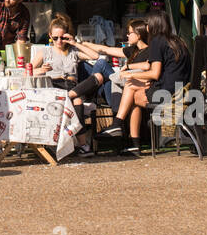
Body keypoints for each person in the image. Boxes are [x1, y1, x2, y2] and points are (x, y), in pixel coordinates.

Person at [64, 18, 152, 156]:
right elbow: (105, 49)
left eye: (130, 33)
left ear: (139, 34)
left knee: (101, 65)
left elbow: (148, 68)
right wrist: (77, 43)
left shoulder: (149, 51)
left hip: (130, 88)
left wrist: (128, 67)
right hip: (120, 89)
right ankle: (87, 93)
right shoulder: (132, 50)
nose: (127, 35)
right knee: (92, 67)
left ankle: (87, 95)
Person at [109, 10, 191, 156]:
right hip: (183, 91)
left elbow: (155, 73)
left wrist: (130, 74)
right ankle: (126, 134)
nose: (146, 26)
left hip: (167, 94)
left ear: (152, 26)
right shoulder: (179, 41)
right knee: (133, 87)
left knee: (130, 88)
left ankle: (119, 126)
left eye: (147, 23)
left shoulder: (157, 42)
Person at [30, 14, 79, 88]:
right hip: (55, 85)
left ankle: (71, 95)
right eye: (55, 38)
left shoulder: (72, 50)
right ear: (50, 35)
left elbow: (95, 56)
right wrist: (41, 70)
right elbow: (27, 72)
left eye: (62, 38)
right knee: (77, 98)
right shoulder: (45, 51)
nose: (59, 41)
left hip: (72, 85)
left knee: (78, 98)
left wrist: (75, 43)